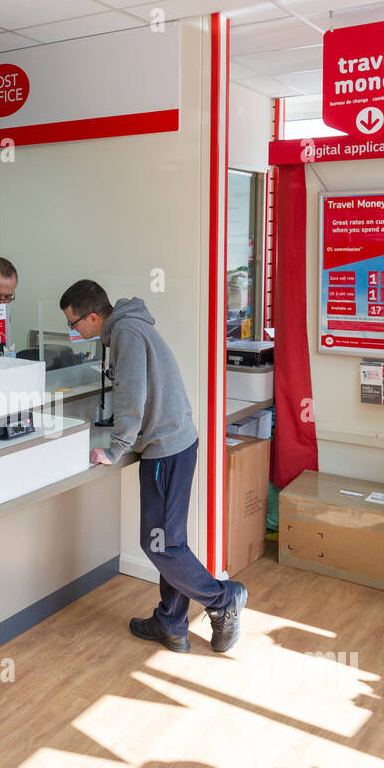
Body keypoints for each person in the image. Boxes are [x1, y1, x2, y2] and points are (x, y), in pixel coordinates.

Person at [60, 279, 249, 655]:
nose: (74, 331)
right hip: (176, 442)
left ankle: (222, 599)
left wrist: (115, 449)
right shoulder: (132, 326)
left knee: (159, 544)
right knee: (171, 540)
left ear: (94, 316)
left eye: (74, 323)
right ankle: (171, 623)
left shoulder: (127, 333)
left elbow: (133, 394)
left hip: (166, 449)